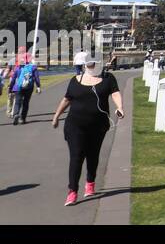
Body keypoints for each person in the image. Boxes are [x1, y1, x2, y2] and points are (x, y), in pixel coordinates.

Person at [50, 56, 124, 206]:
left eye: (94, 64)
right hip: (75, 126)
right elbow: (66, 99)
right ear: (84, 65)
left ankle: (90, 182)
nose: (91, 66)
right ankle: (72, 192)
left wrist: (120, 107)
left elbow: (115, 93)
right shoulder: (74, 80)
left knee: (93, 155)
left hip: (98, 126)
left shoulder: (108, 78)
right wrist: (56, 116)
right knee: (76, 156)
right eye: (89, 64)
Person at [8, 52, 41, 125]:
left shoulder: (18, 67)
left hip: (18, 87)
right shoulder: (33, 67)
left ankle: (16, 114)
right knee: (26, 103)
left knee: (17, 102)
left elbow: (13, 79)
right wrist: (38, 86)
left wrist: (10, 88)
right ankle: (22, 118)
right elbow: (36, 78)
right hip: (29, 87)